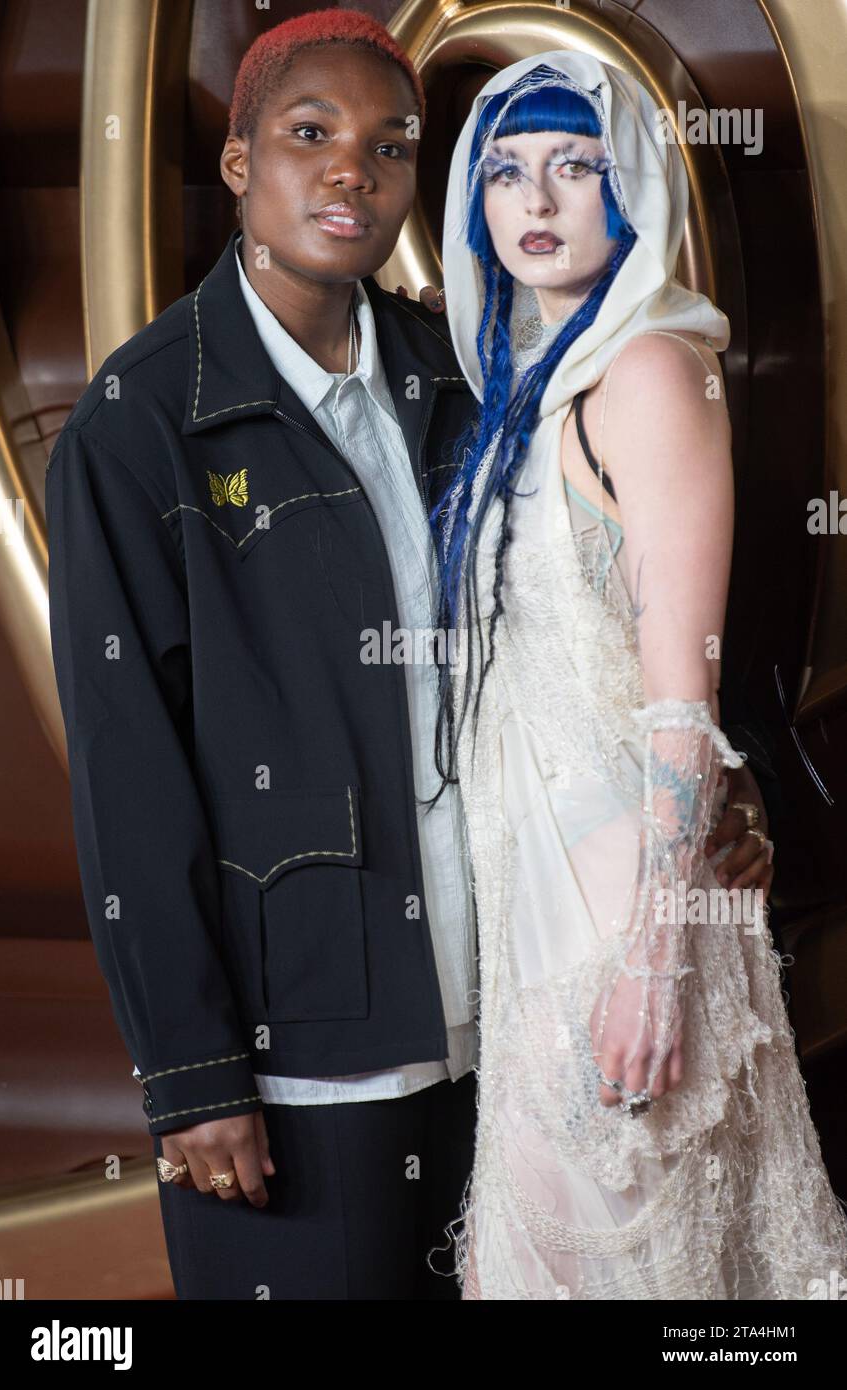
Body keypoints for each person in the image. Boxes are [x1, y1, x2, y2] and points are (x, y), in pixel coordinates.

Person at [44, 12, 773, 1300]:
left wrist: (722, 788)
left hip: (499, 1024)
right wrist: (192, 1073)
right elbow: (125, 773)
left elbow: (607, 606)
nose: (350, 174)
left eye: (389, 146)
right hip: (302, 1047)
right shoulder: (139, 417)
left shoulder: (459, 373)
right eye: (309, 135)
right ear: (237, 163)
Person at [429, 50, 847, 1299]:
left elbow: (681, 701)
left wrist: (655, 966)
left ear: (630, 194)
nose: (535, 201)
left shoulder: (651, 371)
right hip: (537, 908)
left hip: (626, 915)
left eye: (574, 166)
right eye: (504, 172)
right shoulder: (520, 388)